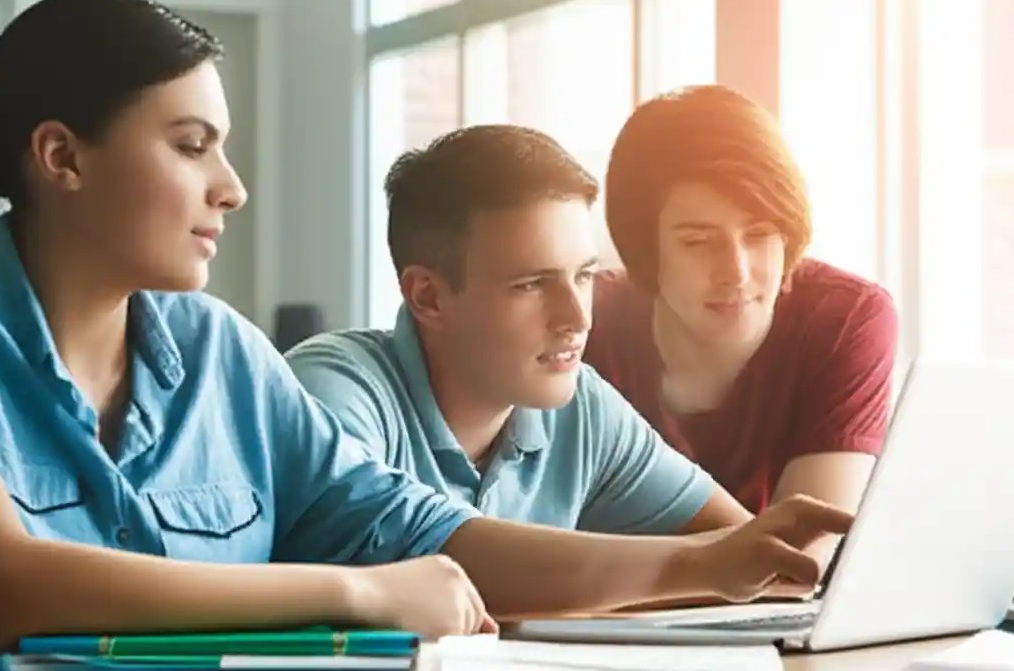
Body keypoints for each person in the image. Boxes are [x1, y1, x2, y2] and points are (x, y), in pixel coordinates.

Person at [0, 0, 851, 671]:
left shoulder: (223, 354)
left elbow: (432, 539)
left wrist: (702, 566)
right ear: (61, 157)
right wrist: (360, 593)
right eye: (190, 146)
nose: (230, 188)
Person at [287, 125, 752, 535]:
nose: (578, 318)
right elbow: (415, 557)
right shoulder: (331, 389)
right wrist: (689, 567)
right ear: (428, 297)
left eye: (584, 276)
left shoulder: (582, 409)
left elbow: (743, 551)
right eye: (531, 284)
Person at [584, 84, 900, 520]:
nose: (736, 272)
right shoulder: (581, 321)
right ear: (645, 247)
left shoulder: (844, 318)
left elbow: (804, 549)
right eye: (698, 242)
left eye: (759, 235)